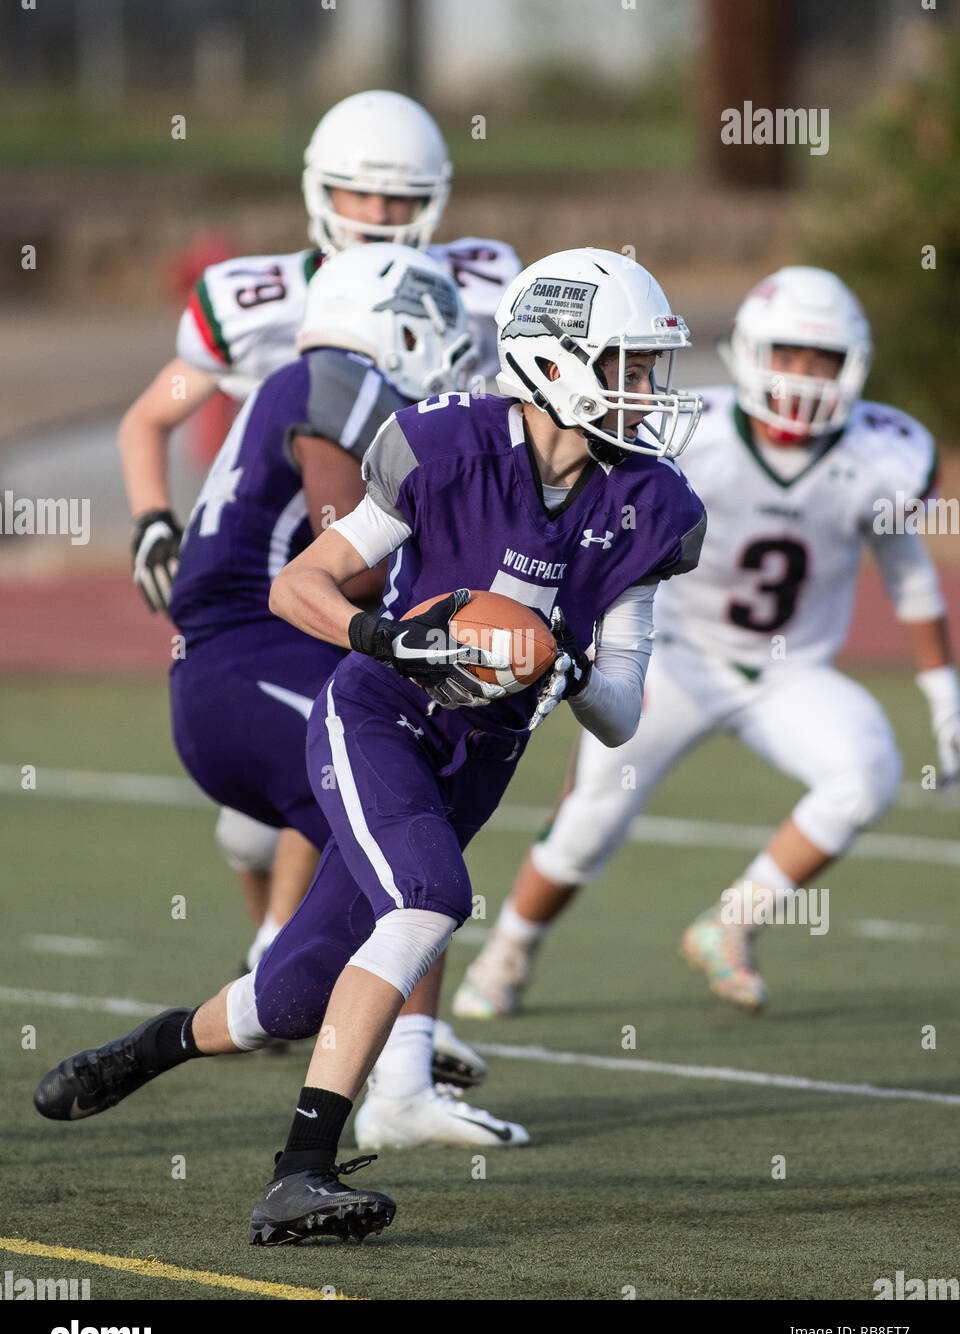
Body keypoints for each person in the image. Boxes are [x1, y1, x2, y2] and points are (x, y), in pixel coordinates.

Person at [35, 247, 706, 1243]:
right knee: (431, 898)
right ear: (556, 364)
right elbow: (298, 586)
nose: (646, 391)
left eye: (649, 367)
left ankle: (151, 1046)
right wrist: (395, 638)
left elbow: (619, 710)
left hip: (479, 760)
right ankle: (298, 1175)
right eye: (627, 365)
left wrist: (559, 667)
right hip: (376, 712)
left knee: (292, 997)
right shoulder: (442, 447)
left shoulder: (650, 507)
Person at [452, 265, 960, 1019]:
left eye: (820, 361)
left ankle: (732, 924)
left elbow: (911, 576)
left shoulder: (881, 454)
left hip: (792, 671)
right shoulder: (694, 433)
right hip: (675, 657)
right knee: (590, 821)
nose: (802, 377)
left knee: (868, 769)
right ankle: (511, 949)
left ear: (851, 365)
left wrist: (943, 693)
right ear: (751, 352)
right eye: (788, 355)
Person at [119, 90, 522, 963]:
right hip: (290, 565)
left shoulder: (476, 286)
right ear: (317, 193)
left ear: (438, 200)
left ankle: (294, 967)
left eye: (402, 200)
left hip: (389, 555)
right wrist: (154, 519)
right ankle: (294, 965)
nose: (379, 218)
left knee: (364, 761)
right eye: (359, 195)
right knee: (256, 829)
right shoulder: (256, 303)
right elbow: (150, 416)